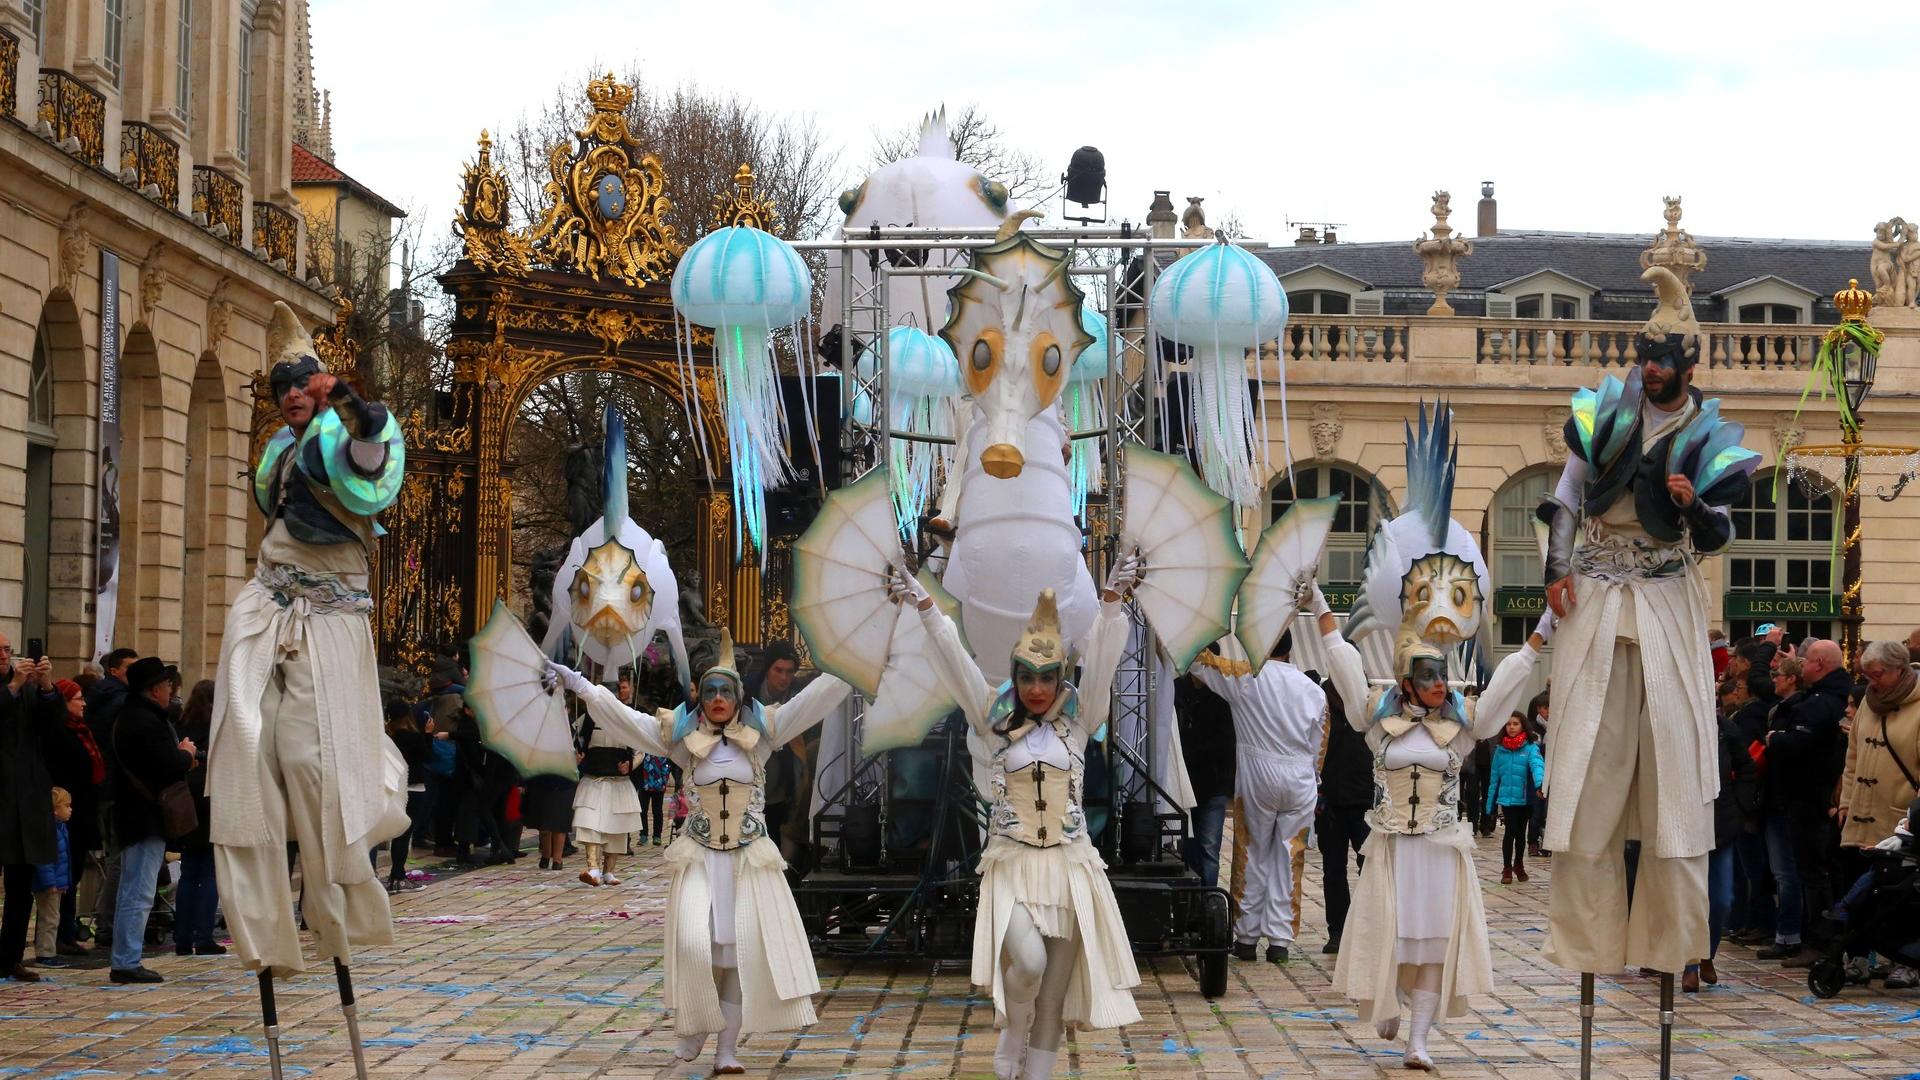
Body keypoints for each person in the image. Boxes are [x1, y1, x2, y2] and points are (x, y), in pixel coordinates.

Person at [1535, 267, 1759, 1037]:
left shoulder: (1706, 436)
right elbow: (1565, 497)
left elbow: (1724, 531)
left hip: (1665, 597)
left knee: (1673, 774)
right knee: (1588, 765)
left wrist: (1699, 510)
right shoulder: (1606, 414)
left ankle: (1675, 943)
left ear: (1688, 363)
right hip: (1598, 590)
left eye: (1662, 352)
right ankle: (1590, 937)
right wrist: (1556, 571)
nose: (1650, 362)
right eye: (1644, 350)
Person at [205, 302, 408, 1072]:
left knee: (312, 763)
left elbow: (370, 442)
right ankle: (259, 930)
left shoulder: (343, 438)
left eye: (301, 382)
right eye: (280, 383)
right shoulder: (276, 451)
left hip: (328, 613)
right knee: (240, 751)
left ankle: (339, 904)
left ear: (319, 390)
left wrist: (346, 393)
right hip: (268, 598)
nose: (290, 391)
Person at [549, 631, 852, 1076]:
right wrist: (580, 684)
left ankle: (727, 1050)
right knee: (695, 945)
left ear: (738, 697)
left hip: (748, 861)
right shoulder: (678, 738)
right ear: (700, 698)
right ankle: (693, 1030)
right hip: (700, 858)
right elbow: (626, 720)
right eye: (709, 691)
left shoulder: (762, 735)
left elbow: (816, 701)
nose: (717, 699)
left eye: (725, 692)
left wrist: (852, 665)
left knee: (736, 957)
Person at [890, 560, 1141, 1080]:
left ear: (1060, 678)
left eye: (1046, 678)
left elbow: (1104, 660)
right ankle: (1012, 1027)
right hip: (1013, 862)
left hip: (1072, 867)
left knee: (1054, 995)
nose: (1035, 688)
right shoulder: (993, 720)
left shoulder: (1079, 723)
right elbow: (955, 659)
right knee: (1026, 965)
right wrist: (923, 605)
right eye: (1026, 676)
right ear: (1015, 675)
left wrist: (1113, 597)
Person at [1188, 629, 1325, 962]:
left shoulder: (1245, 677)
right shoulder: (1312, 690)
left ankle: (1247, 937)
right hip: (1300, 775)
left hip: (1258, 773)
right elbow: (1320, 743)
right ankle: (1279, 941)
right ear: (1291, 650)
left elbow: (1197, 663)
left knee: (1252, 852)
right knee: (1289, 857)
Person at [1835, 639, 1920, 988]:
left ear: (1899, 669)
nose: (1871, 680)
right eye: (1867, 673)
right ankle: (1856, 958)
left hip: (1903, 817)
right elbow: (1853, 759)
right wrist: (1845, 802)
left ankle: (1907, 961)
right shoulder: (1870, 704)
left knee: (1905, 894)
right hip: (1862, 815)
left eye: (1878, 673)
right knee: (1859, 888)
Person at [1758, 643, 1849, 966]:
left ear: (1820, 664)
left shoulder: (1824, 701)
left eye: (1807, 661)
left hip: (1811, 797)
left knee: (1814, 872)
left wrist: (1776, 739)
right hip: (1807, 796)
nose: (1802, 666)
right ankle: (1823, 937)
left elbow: (1800, 742)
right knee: (1814, 871)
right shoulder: (1821, 696)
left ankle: (1820, 939)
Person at [111, 657, 194, 984]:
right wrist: (186, 753)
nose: (170, 690)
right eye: (167, 685)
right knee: (139, 889)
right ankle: (126, 960)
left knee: (133, 887)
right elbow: (166, 762)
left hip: (137, 814)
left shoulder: (134, 716)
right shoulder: (143, 721)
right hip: (143, 816)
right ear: (155, 689)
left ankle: (125, 956)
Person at [2, 640, 62, 983]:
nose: (4, 654)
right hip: (3, 798)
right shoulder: (12, 688)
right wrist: (12, 688)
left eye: (8, 648)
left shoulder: (26, 689)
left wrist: (47, 687)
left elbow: (53, 728)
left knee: (21, 885)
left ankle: (9, 958)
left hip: (25, 800)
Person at [40, 677, 102, 956]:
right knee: (63, 875)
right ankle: (59, 936)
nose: (84, 702)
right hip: (66, 810)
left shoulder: (81, 730)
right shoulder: (60, 731)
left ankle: (65, 933)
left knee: (72, 873)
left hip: (82, 809)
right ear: (65, 702)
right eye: (78, 698)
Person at [1316, 671, 1369, 955]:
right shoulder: (1319, 701)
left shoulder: (1367, 701)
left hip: (1365, 799)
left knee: (1370, 868)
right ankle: (1337, 930)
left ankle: (1370, 927)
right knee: (1333, 871)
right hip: (1331, 801)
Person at [1175, 656, 1236, 888]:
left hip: (1212, 787)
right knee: (1183, 849)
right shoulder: (1176, 691)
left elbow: (1227, 744)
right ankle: (1188, 904)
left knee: (1210, 850)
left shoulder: (1223, 697)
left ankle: (1209, 902)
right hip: (1182, 784)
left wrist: (1227, 786)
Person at [172, 679, 222, 956]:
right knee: (211, 871)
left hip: (187, 800)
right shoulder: (218, 725)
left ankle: (182, 937)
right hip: (212, 798)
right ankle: (203, 936)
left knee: (190, 871)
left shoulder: (183, 722)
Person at [572, 702, 642, 886]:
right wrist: (576, 757)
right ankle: (593, 869)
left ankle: (609, 871)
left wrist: (631, 764)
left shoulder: (626, 720)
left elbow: (640, 749)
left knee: (617, 827)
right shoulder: (584, 720)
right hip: (592, 781)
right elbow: (573, 744)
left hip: (619, 783)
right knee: (589, 823)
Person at [1486, 713, 1546, 885]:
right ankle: (1506, 868)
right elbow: (1494, 778)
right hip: (1507, 800)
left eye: (1515, 724)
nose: (1511, 727)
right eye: (1508, 724)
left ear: (1523, 726)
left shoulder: (1530, 748)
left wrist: (1540, 784)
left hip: (1525, 799)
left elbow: (1537, 766)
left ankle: (1518, 864)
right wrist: (1489, 805)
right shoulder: (1500, 750)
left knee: (1521, 834)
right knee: (1509, 832)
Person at [381, 699, 433, 890]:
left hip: (395, 787)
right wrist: (428, 735)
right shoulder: (412, 735)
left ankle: (396, 876)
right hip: (414, 787)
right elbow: (427, 756)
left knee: (398, 833)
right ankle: (398, 875)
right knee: (405, 834)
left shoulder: (389, 736)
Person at [31, 788, 73, 969]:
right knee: (49, 918)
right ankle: (45, 953)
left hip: (57, 882)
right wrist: (50, 883)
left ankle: (48, 951)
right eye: (67, 806)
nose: (70, 809)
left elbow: (64, 860)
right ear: (55, 809)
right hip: (49, 884)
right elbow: (45, 861)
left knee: (53, 917)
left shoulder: (61, 828)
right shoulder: (49, 831)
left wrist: (64, 882)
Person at [639, 751, 672, 846]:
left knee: (657, 810)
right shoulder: (643, 750)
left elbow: (667, 766)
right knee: (642, 809)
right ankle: (643, 835)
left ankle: (657, 836)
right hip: (644, 784)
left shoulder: (662, 750)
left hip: (659, 784)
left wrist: (664, 781)